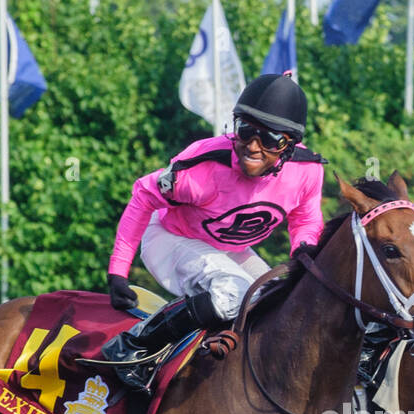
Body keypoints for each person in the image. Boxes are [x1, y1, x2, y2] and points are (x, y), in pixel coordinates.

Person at [100, 73, 326, 390]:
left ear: (289, 147)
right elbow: (143, 194)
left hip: (229, 248)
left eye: (270, 140)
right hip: (170, 237)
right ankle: (133, 346)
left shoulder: (308, 170)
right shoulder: (204, 167)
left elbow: (305, 220)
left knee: (280, 298)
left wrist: (303, 259)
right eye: (246, 131)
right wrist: (118, 270)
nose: (252, 147)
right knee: (234, 291)